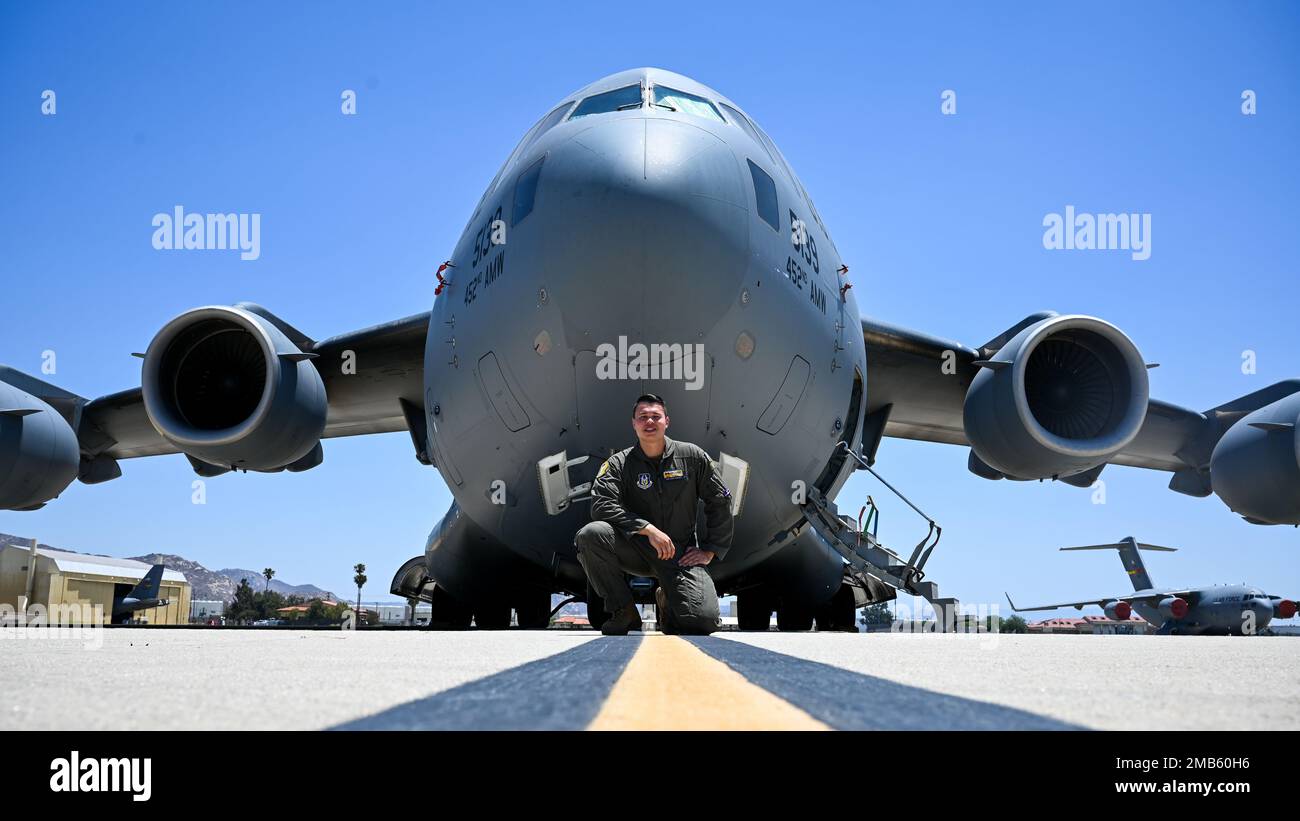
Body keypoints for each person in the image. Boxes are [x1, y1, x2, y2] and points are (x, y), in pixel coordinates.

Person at [575, 393, 734, 636]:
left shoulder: (691, 456)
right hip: (634, 548)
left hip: (679, 554)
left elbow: (720, 499)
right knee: (590, 535)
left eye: (655, 417)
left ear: (666, 421)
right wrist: (646, 529)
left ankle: (667, 603)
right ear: (634, 423)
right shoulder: (619, 463)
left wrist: (710, 550)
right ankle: (623, 611)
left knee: (703, 622)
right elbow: (600, 504)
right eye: (643, 417)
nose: (649, 422)